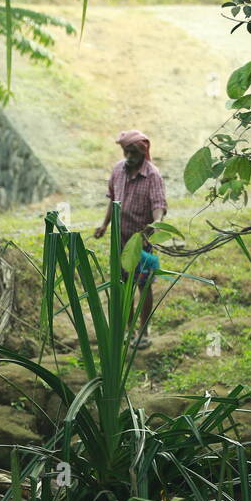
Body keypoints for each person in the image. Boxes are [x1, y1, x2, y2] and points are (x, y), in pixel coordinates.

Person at [94, 130, 167, 348]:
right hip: (119, 240)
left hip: (141, 242)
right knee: (123, 285)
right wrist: (104, 225)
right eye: (126, 151)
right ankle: (128, 330)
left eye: (133, 151)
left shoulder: (152, 175)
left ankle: (143, 333)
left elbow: (158, 206)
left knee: (143, 286)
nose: (128, 155)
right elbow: (113, 200)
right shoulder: (118, 170)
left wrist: (155, 226)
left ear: (143, 152)